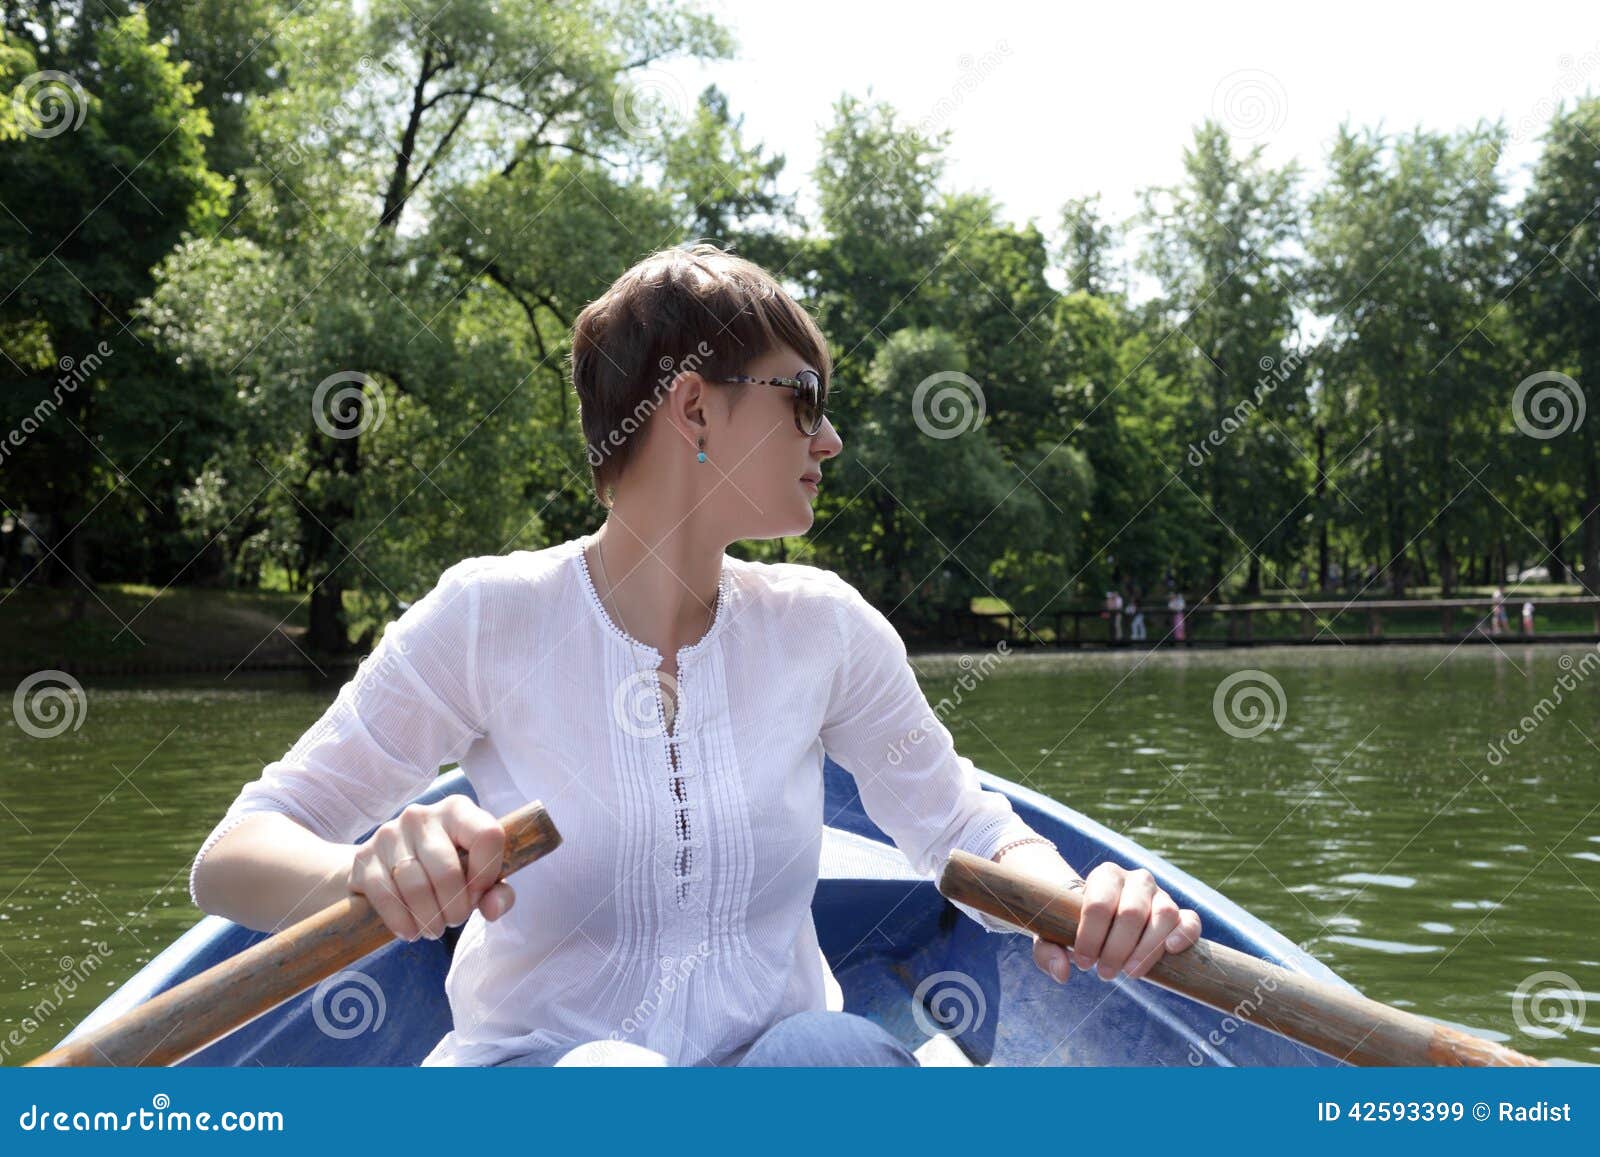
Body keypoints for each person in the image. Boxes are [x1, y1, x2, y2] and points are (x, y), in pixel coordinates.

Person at [187, 244, 1202, 1068]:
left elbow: (967, 828)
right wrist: (366, 874)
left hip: (768, 1069)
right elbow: (233, 855)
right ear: (693, 408)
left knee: (836, 1056)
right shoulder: (488, 615)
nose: (833, 437)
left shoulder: (825, 627)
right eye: (803, 396)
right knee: (610, 1081)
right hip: (539, 1075)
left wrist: (1079, 895)